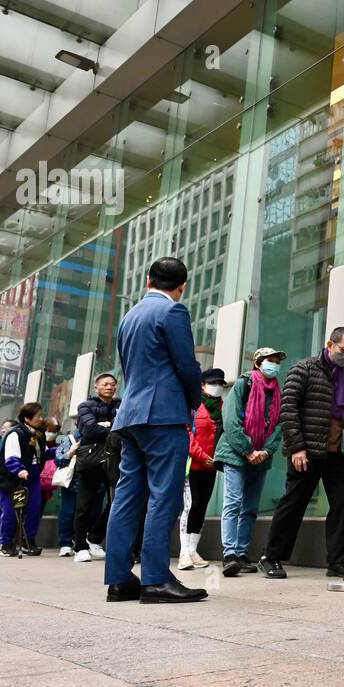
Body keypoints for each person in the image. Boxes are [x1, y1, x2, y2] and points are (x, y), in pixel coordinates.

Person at [103, 257, 205, 603]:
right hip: (163, 415)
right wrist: (194, 401)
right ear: (182, 285)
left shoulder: (129, 316)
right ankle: (156, 579)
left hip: (130, 416)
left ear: (148, 279)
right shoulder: (173, 312)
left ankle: (119, 579)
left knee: (128, 498)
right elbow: (187, 365)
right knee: (166, 496)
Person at [261, 329, 344, 579]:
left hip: (337, 453)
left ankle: (337, 563)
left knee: (339, 507)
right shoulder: (303, 368)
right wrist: (296, 447)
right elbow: (288, 408)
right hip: (307, 450)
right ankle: (271, 557)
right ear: (330, 344)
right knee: (293, 503)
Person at [215, 348, 286, 578]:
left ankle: (241, 553)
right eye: (270, 361)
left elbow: (278, 426)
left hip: (261, 457)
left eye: (277, 362)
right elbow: (231, 420)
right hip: (237, 453)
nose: (274, 365)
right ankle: (229, 555)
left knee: (251, 508)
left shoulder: (277, 392)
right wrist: (248, 450)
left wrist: (266, 451)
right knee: (233, 502)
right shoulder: (243, 385)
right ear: (257, 363)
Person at [180, 368, 229, 571]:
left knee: (201, 507)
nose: (217, 386)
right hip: (194, 464)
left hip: (211, 466)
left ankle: (193, 550)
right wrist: (202, 456)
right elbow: (187, 432)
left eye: (220, 383)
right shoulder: (193, 405)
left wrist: (216, 459)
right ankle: (184, 553)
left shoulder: (222, 407)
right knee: (190, 506)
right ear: (203, 384)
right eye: (213, 382)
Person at [0, 403, 52, 556]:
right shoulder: (15, 434)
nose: (41, 418)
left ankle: (28, 541)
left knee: (34, 508)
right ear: (27, 418)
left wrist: (64, 451)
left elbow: (43, 454)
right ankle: (5, 543)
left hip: (31, 476)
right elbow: (11, 458)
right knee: (10, 511)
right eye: (38, 416)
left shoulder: (38, 434)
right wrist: (20, 470)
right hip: (10, 478)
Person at [73, 373, 120, 563]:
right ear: (96, 387)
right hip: (91, 459)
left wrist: (106, 425)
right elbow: (89, 429)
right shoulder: (85, 406)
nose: (109, 387)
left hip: (115, 459)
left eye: (113, 384)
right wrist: (111, 427)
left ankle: (94, 538)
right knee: (84, 505)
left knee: (118, 501)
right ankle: (80, 548)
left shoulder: (120, 404)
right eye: (105, 384)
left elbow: (124, 427)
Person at [53, 420, 80, 556]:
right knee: (68, 513)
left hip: (94, 484)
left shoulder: (100, 437)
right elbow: (58, 459)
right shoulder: (70, 439)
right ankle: (66, 543)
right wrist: (71, 452)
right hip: (72, 483)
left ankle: (81, 543)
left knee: (90, 514)